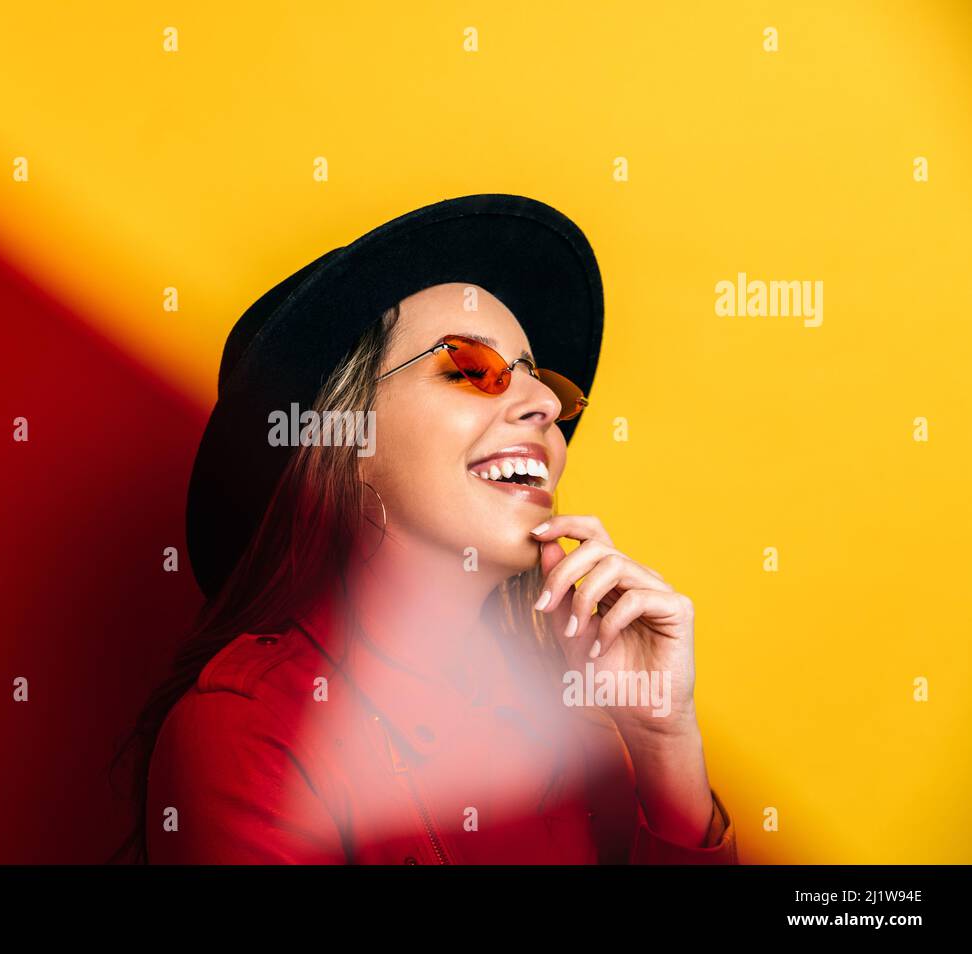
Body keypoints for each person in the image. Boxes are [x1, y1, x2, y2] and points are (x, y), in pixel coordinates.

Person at [109, 194, 738, 864]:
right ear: (343, 436)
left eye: (543, 379)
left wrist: (662, 739)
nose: (551, 404)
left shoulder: (582, 740)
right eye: (473, 366)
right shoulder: (247, 728)